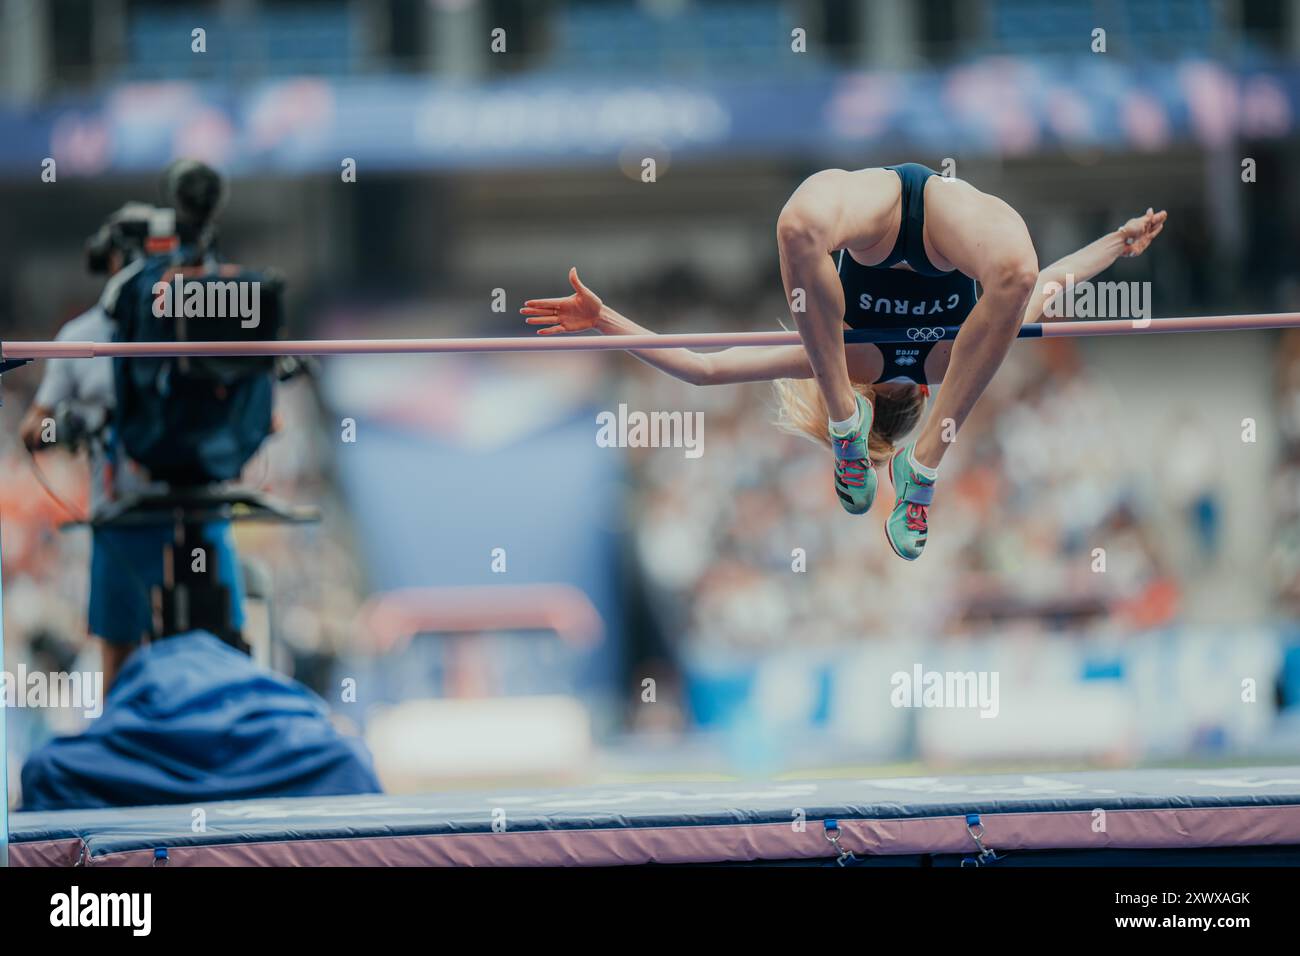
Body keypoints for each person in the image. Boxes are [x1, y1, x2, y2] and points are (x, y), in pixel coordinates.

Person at [521, 163, 1166, 560]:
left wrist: (1114, 242)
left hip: (889, 209)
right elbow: (700, 367)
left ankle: (853, 431)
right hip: (937, 219)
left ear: (906, 405)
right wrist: (601, 322)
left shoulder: (876, 357)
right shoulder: (949, 359)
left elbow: (702, 367)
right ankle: (919, 466)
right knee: (1014, 275)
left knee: (801, 230)